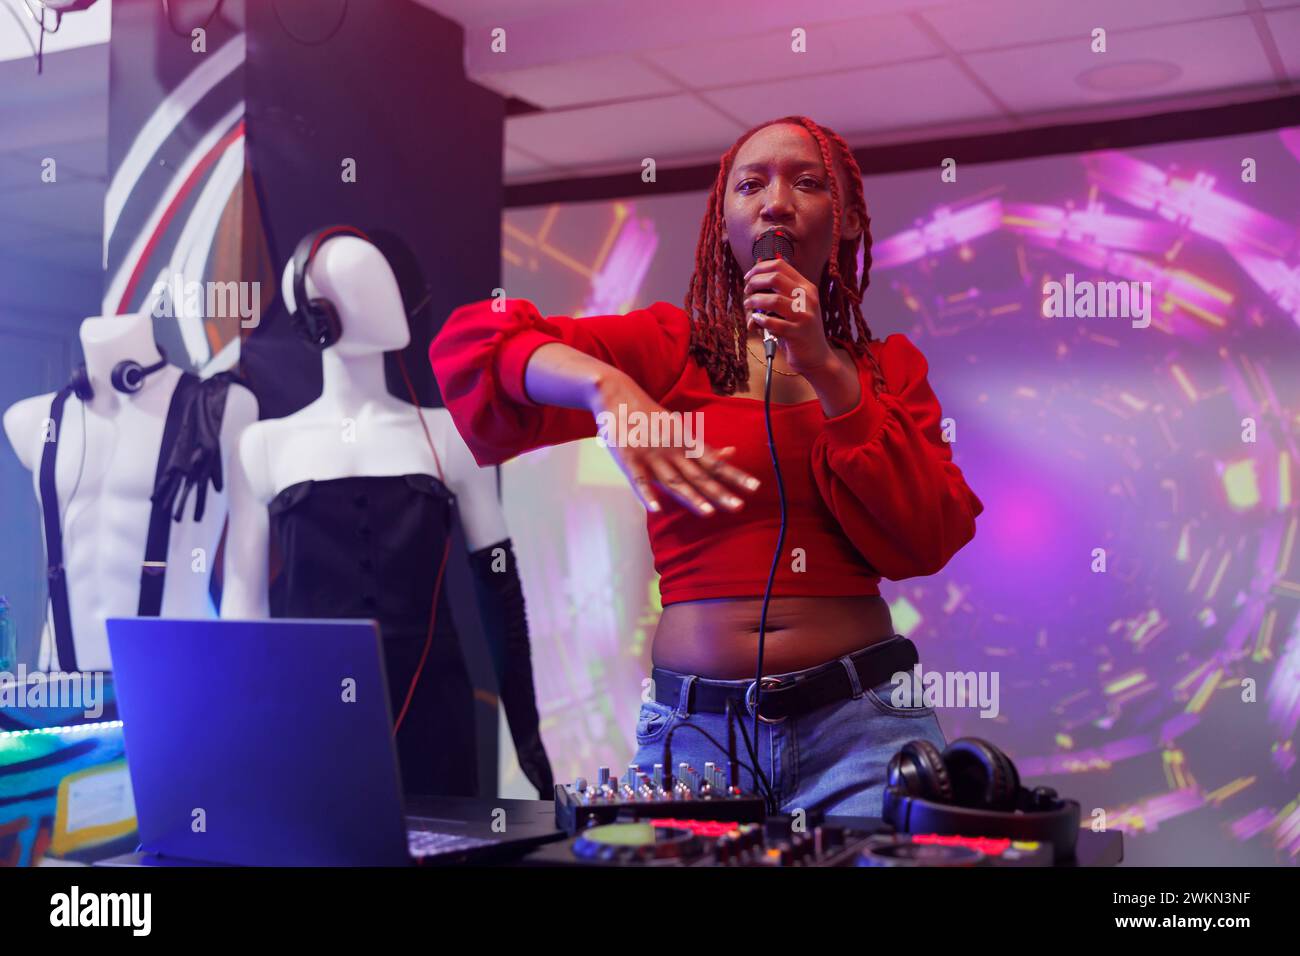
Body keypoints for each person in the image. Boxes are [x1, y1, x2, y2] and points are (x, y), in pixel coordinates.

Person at [429, 115, 984, 817]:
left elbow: (929, 534)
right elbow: (476, 344)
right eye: (750, 184)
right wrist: (609, 389)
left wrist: (825, 368)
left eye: (806, 182)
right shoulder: (669, 348)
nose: (775, 200)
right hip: (694, 739)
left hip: (862, 731)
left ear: (846, 222)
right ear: (725, 223)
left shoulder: (887, 370)